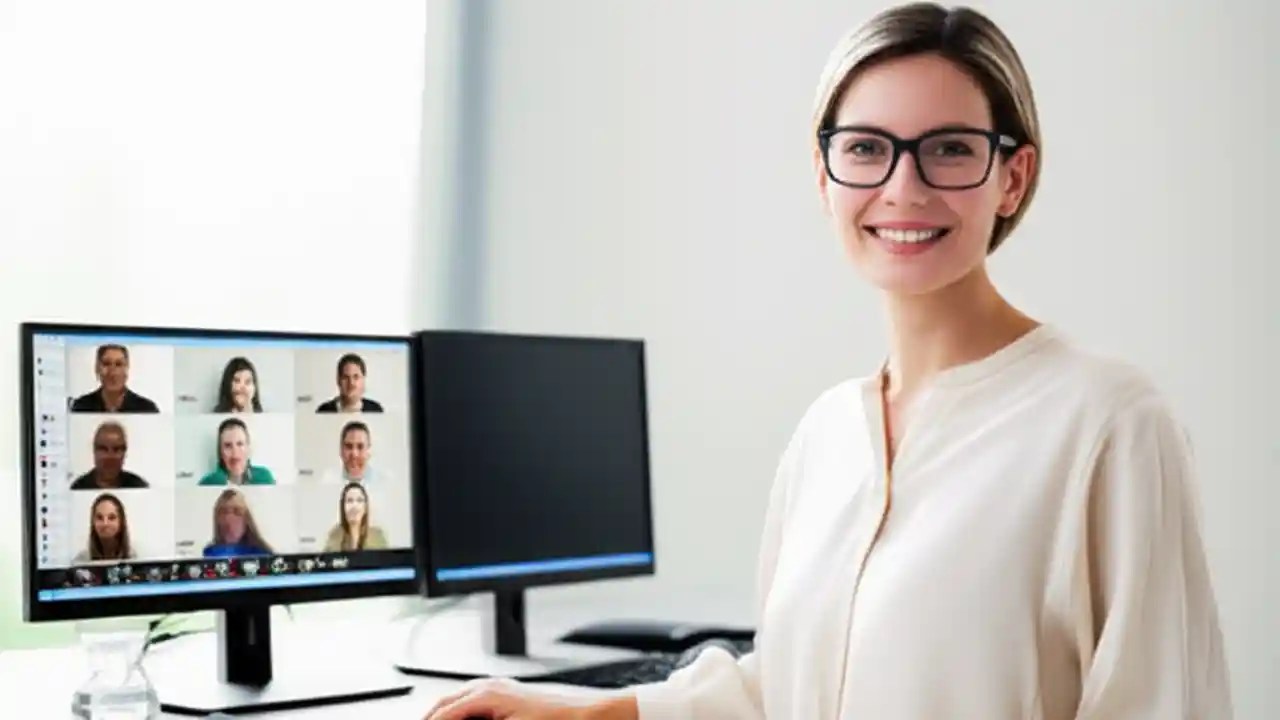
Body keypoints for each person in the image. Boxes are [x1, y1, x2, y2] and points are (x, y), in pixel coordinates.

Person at [423, 4, 1233, 720]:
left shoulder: (1110, 422)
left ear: (1012, 176)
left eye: (949, 149)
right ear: (824, 175)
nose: (904, 187)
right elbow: (789, 688)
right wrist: (586, 712)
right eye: (867, 148)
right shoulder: (827, 435)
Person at [69, 344, 159, 413]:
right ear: (97, 368)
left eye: (119, 364)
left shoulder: (147, 409)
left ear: (127, 368)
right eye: (106, 364)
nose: (112, 372)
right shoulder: (81, 407)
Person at [70, 421, 149, 489]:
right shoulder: (79, 487)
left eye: (117, 449)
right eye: (103, 449)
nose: (110, 456)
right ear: (94, 451)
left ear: (124, 452)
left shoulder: (138, 486)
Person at [198, 417, 276, 486]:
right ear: (220, 452)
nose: (235, 452)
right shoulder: (208, 483)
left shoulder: (265, 478)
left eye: (240, 444)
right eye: (228, 446)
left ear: (248, 448)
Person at [203, 488, 274, 558]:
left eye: (237, 511)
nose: (229, 517)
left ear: (247, 519)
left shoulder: (262, 553)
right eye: (223, 511)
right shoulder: (210, 552)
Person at [323, 482, 388, 552]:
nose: (354, 506)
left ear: (365, 507)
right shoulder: (334, 535)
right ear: (343, 507)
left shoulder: (377, 535)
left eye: (359, 500)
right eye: (349, 501)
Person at [72, 493, 137, 563]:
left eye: (112, 518)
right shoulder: (81, 561)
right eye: (99, 518)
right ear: (93, 523)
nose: (105, 523)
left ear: (121, 522)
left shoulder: (133, 558)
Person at [315, 353, 384, 413]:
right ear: (338, 380)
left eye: (356, 377)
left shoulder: (376, 410)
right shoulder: (324, 410)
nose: (351, 383)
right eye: (345, 377)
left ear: (363, 379)